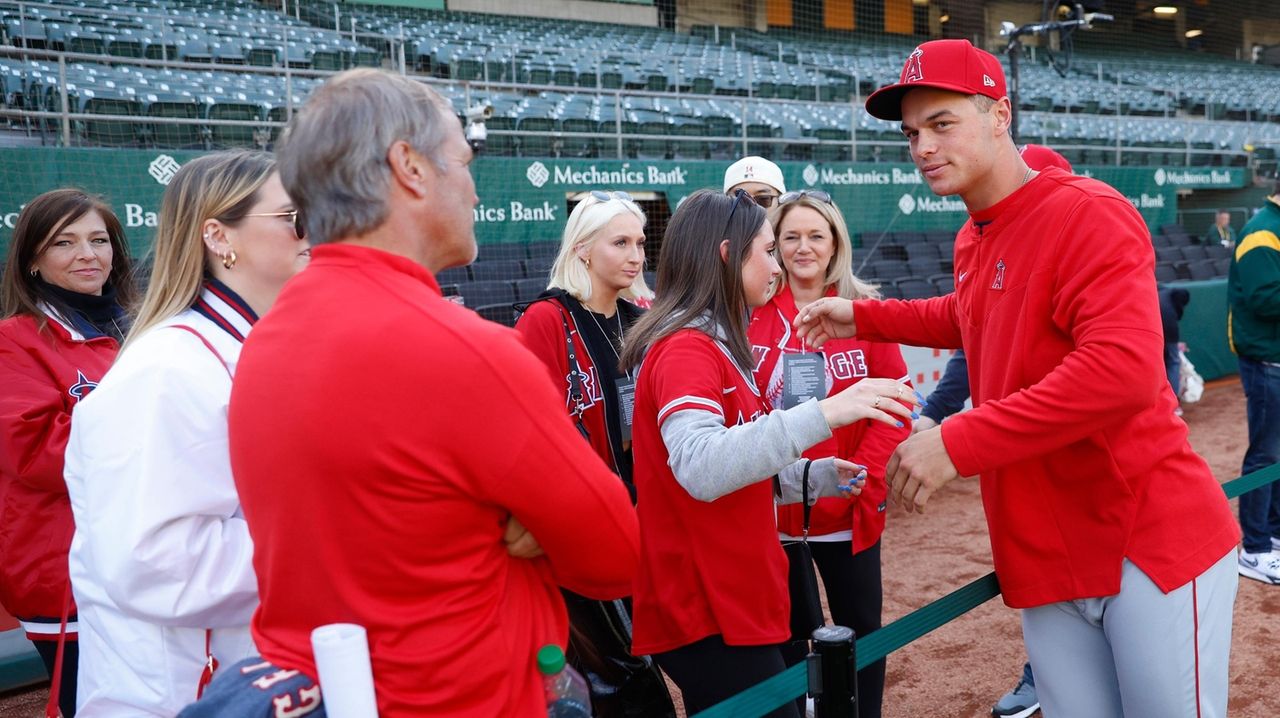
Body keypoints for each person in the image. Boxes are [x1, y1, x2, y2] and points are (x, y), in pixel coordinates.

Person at [796, 39, 1240, 718]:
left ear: (999, 114)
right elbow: (971, 313)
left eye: (943, 123)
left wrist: (956, 439)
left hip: (1143, 539)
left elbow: (1122, 371)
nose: (922, 147)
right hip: (1045, 546)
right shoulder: (977, 232)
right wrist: (862, 315)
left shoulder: (1087, 211)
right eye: (913, 132)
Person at [218, 69, 640, 718]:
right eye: (464, 162)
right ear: (409, 167)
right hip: (466, 697)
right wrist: (526, 521)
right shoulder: (468, 351)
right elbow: (615, 552)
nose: (473, 189)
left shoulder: (265, 338)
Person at [619, 189, 920, 718]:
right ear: (727, 255)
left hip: (731, 597)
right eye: (768, 249)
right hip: (707, 604)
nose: (777, 265)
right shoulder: (687, 347)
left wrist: (812, 476)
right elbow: (701, 466)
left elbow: (739, 459)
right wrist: (827, 413)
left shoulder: (713, 343)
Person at [63, 150, 310, 716]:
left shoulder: (241, 345)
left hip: (246, 671)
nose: (311, 232)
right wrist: (338, 535)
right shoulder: (166, 368)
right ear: (220, 237)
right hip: (176, 692)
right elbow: (155, 563)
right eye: (294, 216)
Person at [746, 188, 909, 718]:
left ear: (835, 241)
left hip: (849, 506)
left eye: (816, 235)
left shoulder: (868, 313)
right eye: (789, 236)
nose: (803, 247)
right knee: (790, 635)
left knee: (863, 629)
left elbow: (899, 404)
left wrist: (861, 471)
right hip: (775, 512)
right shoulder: (750, 315)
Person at [514, 191, 673, 717]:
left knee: (652, 651)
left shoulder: (640, 318)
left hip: (642, 514)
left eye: (641, 243)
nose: (636, 255)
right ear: (582, 249)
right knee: (622, 671)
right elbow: (534, 431)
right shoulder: (546, 318)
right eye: (621, 242)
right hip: (584, 524)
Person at [0, 190, 135, 718]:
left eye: (99, 240)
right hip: (64, 575)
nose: (89, 254)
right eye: (65, 243)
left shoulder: (140, 327)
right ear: (33, 259)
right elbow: (35, 452)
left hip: (139, 559)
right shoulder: (15, 340)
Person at [1227, 187, 1280, 585]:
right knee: (1265, 453)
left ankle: (1273, 532)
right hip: (1265, 360)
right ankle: (1255, 548)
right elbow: (1265, 300)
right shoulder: (1263, 231)